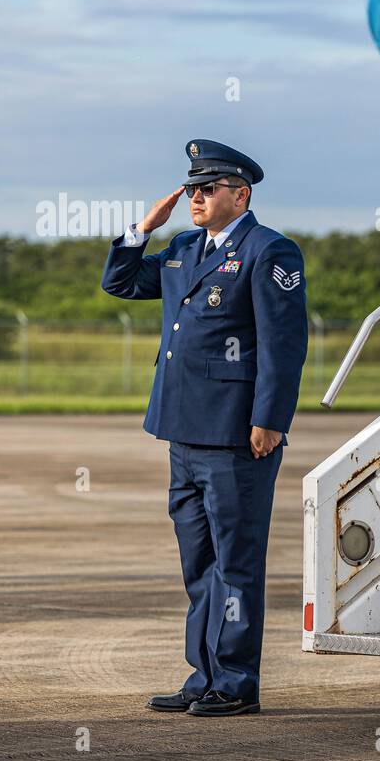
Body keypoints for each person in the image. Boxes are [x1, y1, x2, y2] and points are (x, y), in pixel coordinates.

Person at [101, 139, 308, 716]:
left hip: (236, 434)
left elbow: (283, 345)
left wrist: (269, 419)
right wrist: (143, 229)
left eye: (207, 188)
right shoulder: (184, 247)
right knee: (199, 565)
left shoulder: (270, 251)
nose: (195, 196)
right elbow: (120, 283)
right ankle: (204, 676)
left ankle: (237, 682)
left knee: (236, 563)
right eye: (191, 188)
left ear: (239, 195)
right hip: (183, 431)